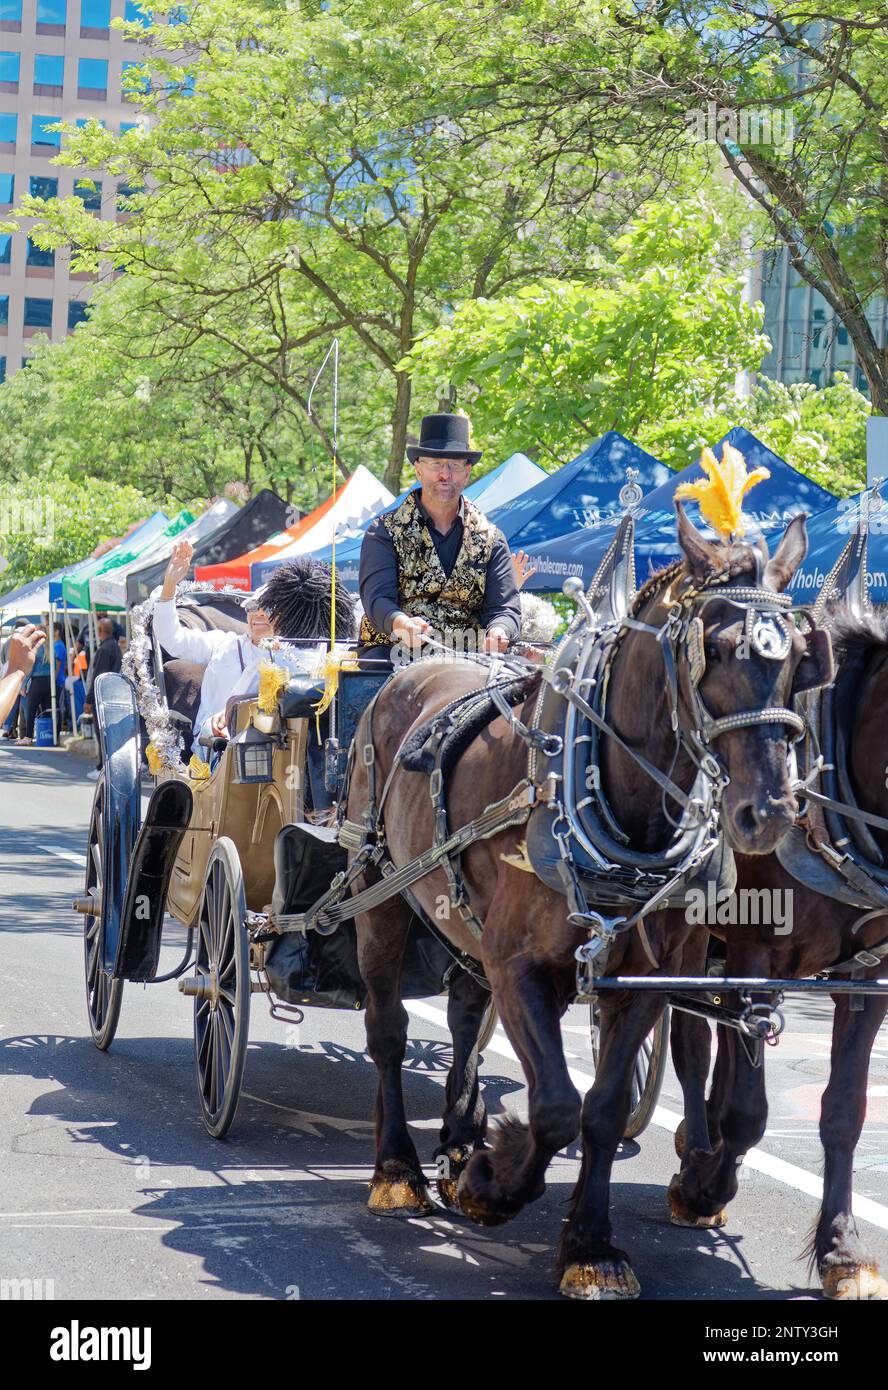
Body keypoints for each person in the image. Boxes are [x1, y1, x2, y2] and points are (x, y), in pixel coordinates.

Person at [153, 540, 354, 760]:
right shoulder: (225, 644)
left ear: (288, 614)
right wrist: (169, 585)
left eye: (267, 608)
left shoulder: (300, 656)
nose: (258, 614)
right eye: (252, 607)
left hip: (284, 749)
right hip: (217, 748)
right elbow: (172, 639)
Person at [358, 412, 521, 661]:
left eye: (454, 466)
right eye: (436, 464)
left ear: (467, 472)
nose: (445, 474)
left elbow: (504, 607)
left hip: (470, 659)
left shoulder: (491, 538)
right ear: (418, 470)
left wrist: (500, 630)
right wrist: (400, 623)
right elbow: (377, 598)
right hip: (393, 653)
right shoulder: (384, 532)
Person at [83, 616, 123, 779]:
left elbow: (98, 676)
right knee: (107, 733)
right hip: (112, 695)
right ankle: (106, 766)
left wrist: (89, 699)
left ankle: (102, 767)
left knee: (102, 733)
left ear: (100, 631)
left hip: (102, 697)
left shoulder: (105, 649)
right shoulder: (114, 646)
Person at [0, 622, 44, 729]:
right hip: (19, 679)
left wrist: (15, 672)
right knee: (21, 706)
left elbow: (2, 659)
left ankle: (10, 728)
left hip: (14, 678)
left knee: (17, 706)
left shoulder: (8, 642)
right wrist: (17, 671)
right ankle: (15, 729)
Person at [19, 627, 52, 745]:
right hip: (49, 681)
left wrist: (23, 685)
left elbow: (30, 669)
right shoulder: (50, 647)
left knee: (30, 709)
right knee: (47, 709)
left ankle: (28, 737)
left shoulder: (36, 649)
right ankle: (48, 736)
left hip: (37, 681)